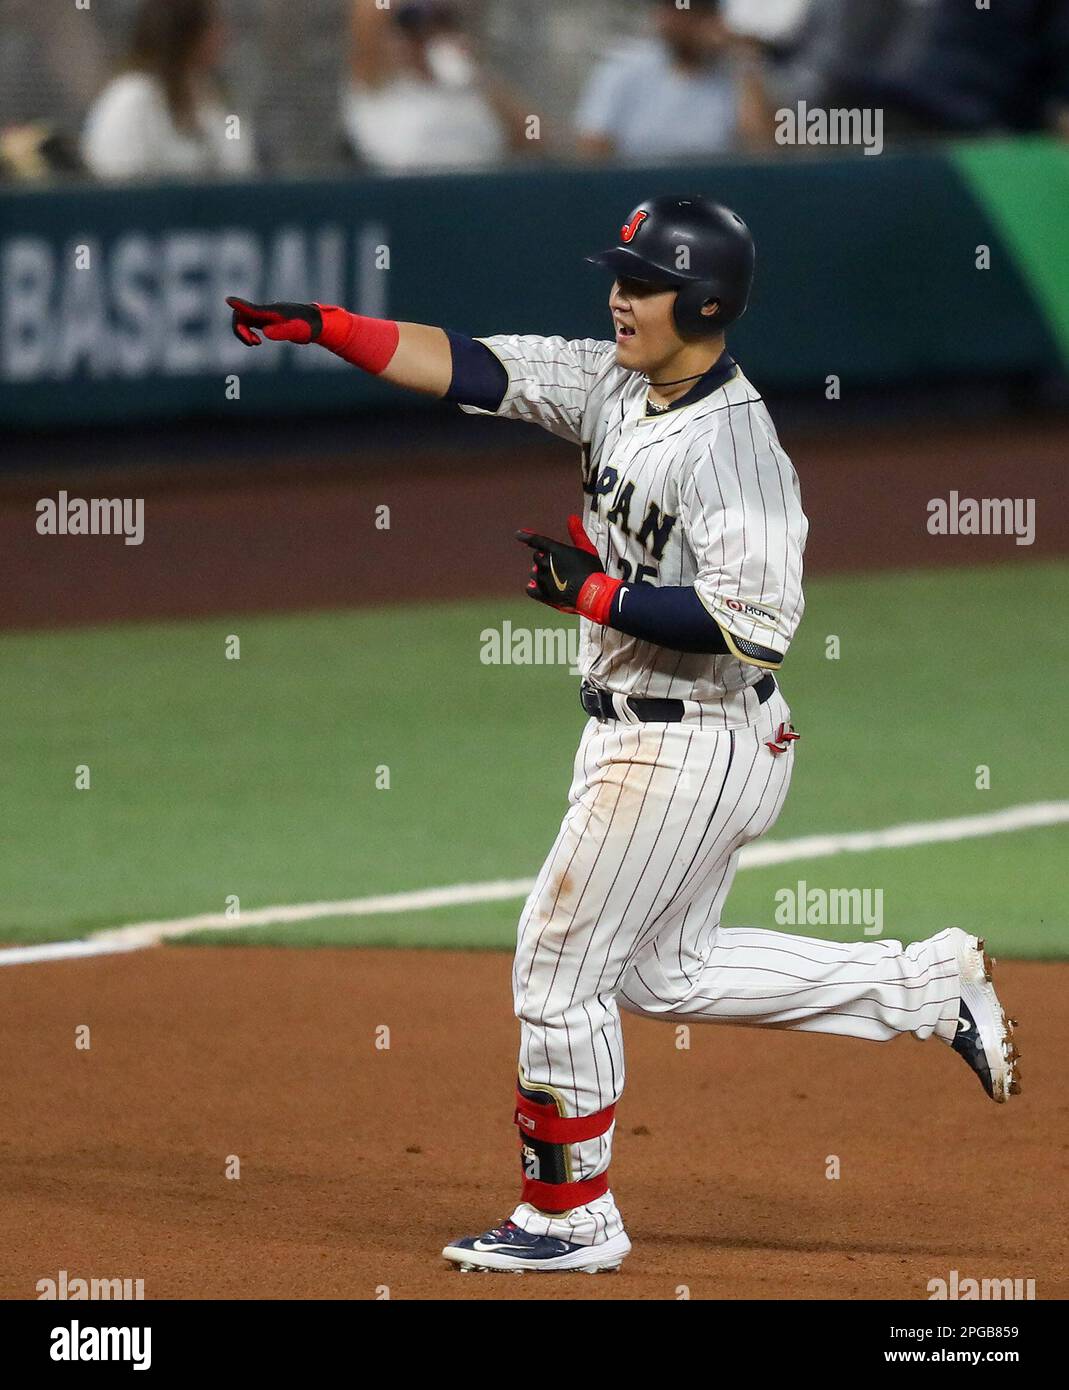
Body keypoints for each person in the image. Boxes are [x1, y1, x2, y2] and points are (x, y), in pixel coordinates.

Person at [224, 193, 1021, 1275]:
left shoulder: (737, 451)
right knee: (664, 975)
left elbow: (756, 630)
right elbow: (476, 367)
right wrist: (329, 327)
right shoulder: (617, 382)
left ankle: (569, 1217)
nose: (618, 295)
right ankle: (923, 985)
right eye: (618, 275)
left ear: (700, 301)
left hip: (693, 738)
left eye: (641, 283)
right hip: (646, 734)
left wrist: (592, 596)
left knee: (556, 970)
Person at [344, 0, 533, 172]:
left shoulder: (475, 87)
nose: (426, 32)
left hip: (479, 195)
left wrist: (478, 78)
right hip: (407, 198)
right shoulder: (379, 85)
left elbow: (537, 136)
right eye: (412, 25)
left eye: (442, 21)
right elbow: (368, 17)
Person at [82, 0, 254, 180]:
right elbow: (116, 185)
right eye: (213, 23)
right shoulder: (132, 97)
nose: (224, 34)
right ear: (185, 31)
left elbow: (239, 172)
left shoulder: (214, 100)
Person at [575, 0, 767, 160]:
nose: (674, 20)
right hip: (637, 193)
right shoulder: (624, 69)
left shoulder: (732, 75)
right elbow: (591, 149)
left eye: (691, 12)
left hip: (709, 194)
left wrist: (744, 61)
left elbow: (762, 147)